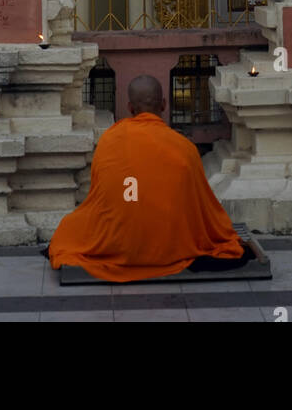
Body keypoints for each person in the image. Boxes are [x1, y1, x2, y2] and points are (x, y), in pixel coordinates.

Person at [48, 74, 248, 282]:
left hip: (116, 244)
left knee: (68, 232)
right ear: (163, 104)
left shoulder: (109, 141)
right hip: (170, 247)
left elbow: (100, 201)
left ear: (130, 107)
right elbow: (201, 208)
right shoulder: (185, 148)